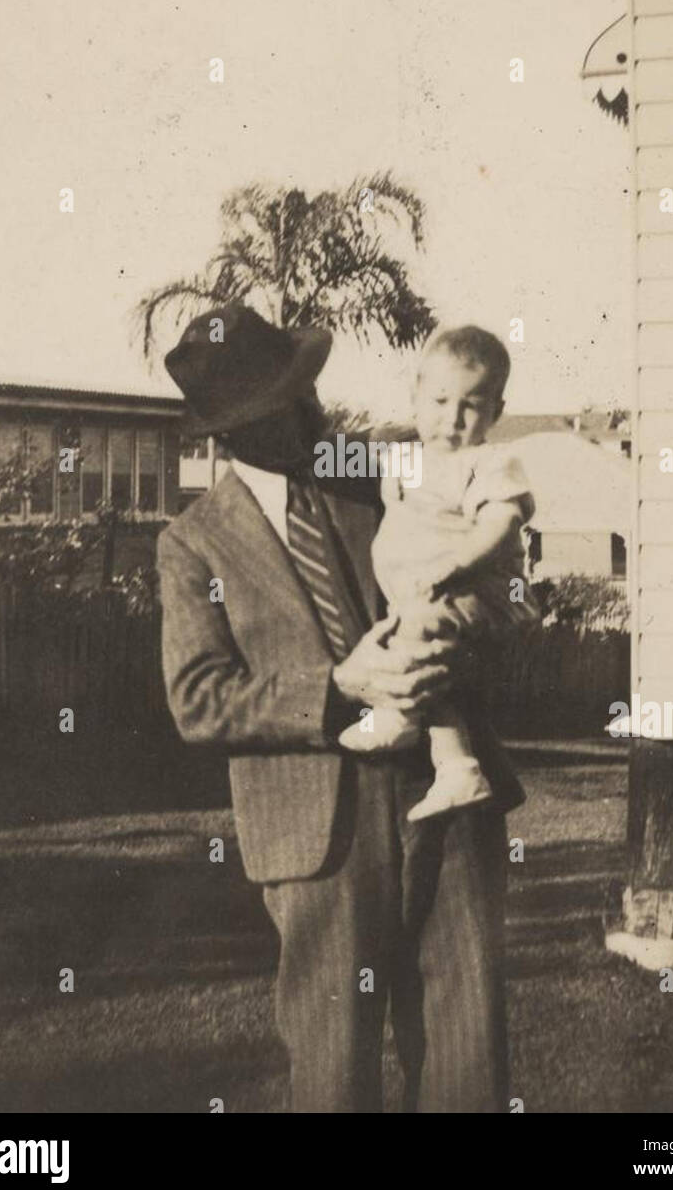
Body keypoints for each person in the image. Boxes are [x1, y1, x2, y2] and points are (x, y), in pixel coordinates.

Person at [158, 304, 526, 1113]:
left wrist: (455, 635)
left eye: (304, 394)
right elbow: (198, 699)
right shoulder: (195, 541)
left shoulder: (387, 474)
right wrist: (338, 686)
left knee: (470, 1062)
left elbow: (504, 590)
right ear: (230, 432)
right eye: (280, 408)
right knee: (335, 1077)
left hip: (449, 801)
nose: (307, 415)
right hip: (317, 838)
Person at [339, 325, 539, 821]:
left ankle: (399, 717)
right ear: (415, 398)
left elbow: (501, 521)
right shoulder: (407, 458)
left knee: (419, 640)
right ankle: (457, 769)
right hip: (428, 601)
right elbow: (353, 456)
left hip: (477, 591)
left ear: (496, 412)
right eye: (440, 401)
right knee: (427, 659)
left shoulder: (490, 461)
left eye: (471, 405)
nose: (452, 419)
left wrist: (456, 562)